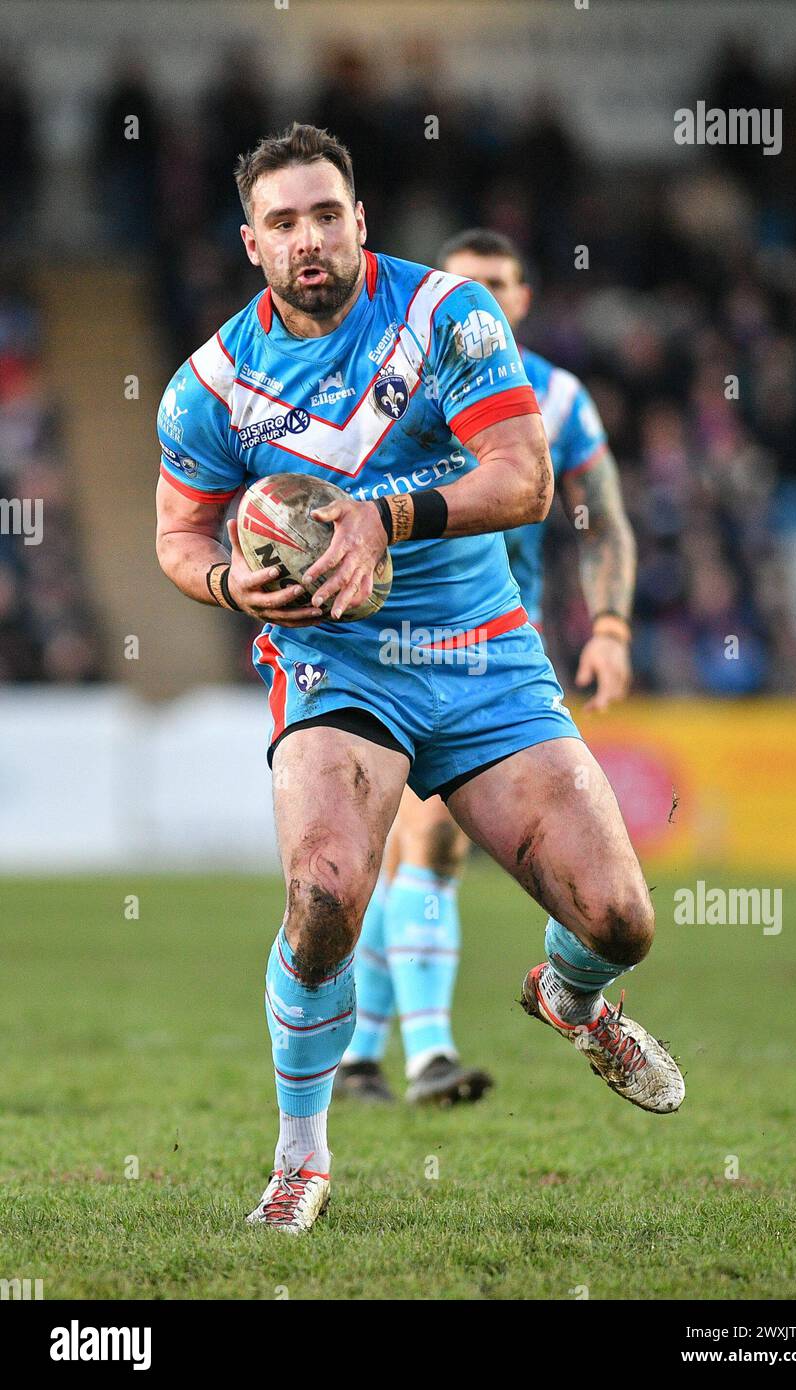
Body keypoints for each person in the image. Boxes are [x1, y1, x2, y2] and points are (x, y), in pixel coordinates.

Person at [155, 123, 684, 1236]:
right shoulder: (210, 387)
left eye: (326, 214)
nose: (309, 238)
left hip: (480, 651)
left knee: (620, 920)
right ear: (252, 243)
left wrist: (380, 516)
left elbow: (525, 481)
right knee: (324, 896)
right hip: (338, 661)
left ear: (360, 219)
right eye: (283, 222)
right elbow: (178, 535)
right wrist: (230, 586)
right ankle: (301, 1159)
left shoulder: (447, 316)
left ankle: (568, 996)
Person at [339, 229, 636, 1105]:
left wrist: (610, 626)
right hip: (389, 649)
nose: (486, 301)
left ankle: (365, 1055)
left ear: (523, 297)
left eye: (500, 285)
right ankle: (423, 1057)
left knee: (416, 849)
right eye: (467, 284)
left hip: (498, 655)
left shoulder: (557, 397)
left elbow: (603, 519)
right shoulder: (385, 381)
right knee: (419, 844)